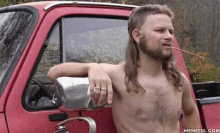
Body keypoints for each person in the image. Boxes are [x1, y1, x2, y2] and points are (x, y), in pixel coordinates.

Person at [47, 4, 201, 133]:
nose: (169, 36)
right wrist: (91, 67)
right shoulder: (119, 75)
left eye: (171, 31)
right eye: (160, 30)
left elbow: (190, 111)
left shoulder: (178, 80)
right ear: (138, 36)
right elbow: (53, 72)